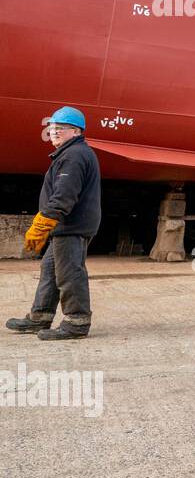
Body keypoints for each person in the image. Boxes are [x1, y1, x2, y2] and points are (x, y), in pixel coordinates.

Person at [6, 106, 101, 340]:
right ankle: (40, 317)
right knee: (49, 272)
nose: (54, 132)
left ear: (77, 132)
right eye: (52, 128)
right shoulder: (69, 153)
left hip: (72, 227)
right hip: (64, 227)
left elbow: (64, 196)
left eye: (61, 128)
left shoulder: (74, 156)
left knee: (70, 274)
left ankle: (77, 323)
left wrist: (41, 224)